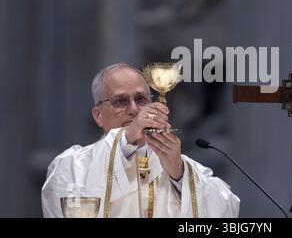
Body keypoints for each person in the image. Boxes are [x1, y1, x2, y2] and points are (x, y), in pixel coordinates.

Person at [41, 63, 240, 217]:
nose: (135, 109)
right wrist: (126, 138)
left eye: (141, 99)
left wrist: (179, 177)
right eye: (120, 101)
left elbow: (226, 208)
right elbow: (63, 205)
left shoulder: (180, 166)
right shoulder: (72, 165)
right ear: (98, 115)